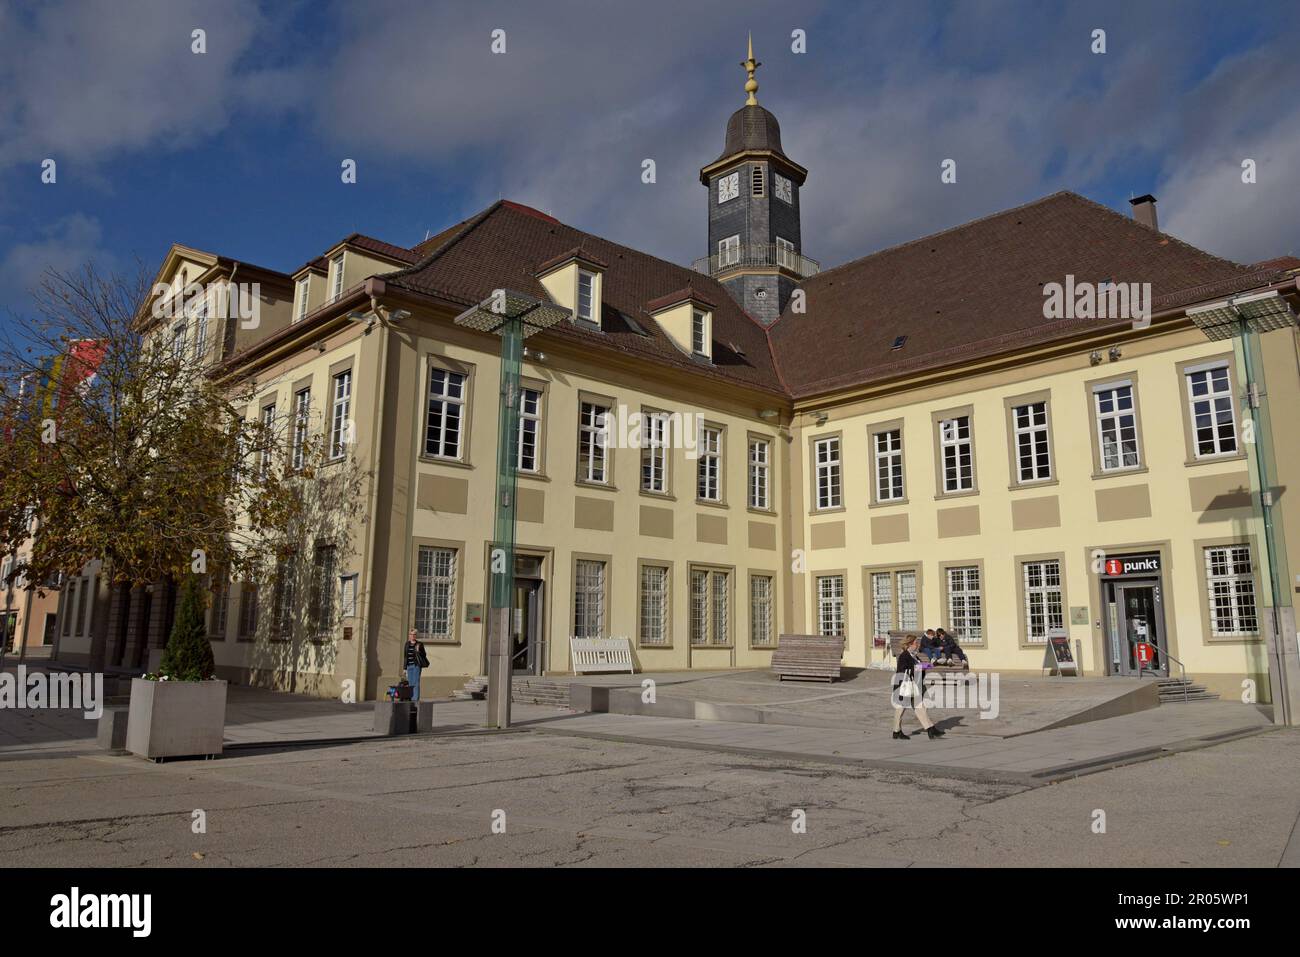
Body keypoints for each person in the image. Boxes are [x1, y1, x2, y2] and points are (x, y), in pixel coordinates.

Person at [892, 634, 944, 740]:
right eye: (916, 642)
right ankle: (896, 731)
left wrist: (932, 665)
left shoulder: (914, 655)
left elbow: (919, 666)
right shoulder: (904, 656)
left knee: (920, 707)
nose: (918, 644)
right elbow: (903, 671)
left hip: (915, 686)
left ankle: (930, 729)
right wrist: (918, 667)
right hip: (905, 686)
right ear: (910, 644)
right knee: (900, 709)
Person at [404, 629, 429, 700]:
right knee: (410, 683)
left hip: (416, 666)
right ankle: (411, 698)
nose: (412, 636)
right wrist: (404, 668)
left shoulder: (419, 644)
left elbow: (424, 654)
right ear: (409, 636)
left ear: (416, 635)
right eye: (411, 634)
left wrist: (419, 651)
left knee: (416, 683)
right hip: (409, 666)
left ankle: (415, 699)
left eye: (414, 634)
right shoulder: (407, 644)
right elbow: (405, 657)